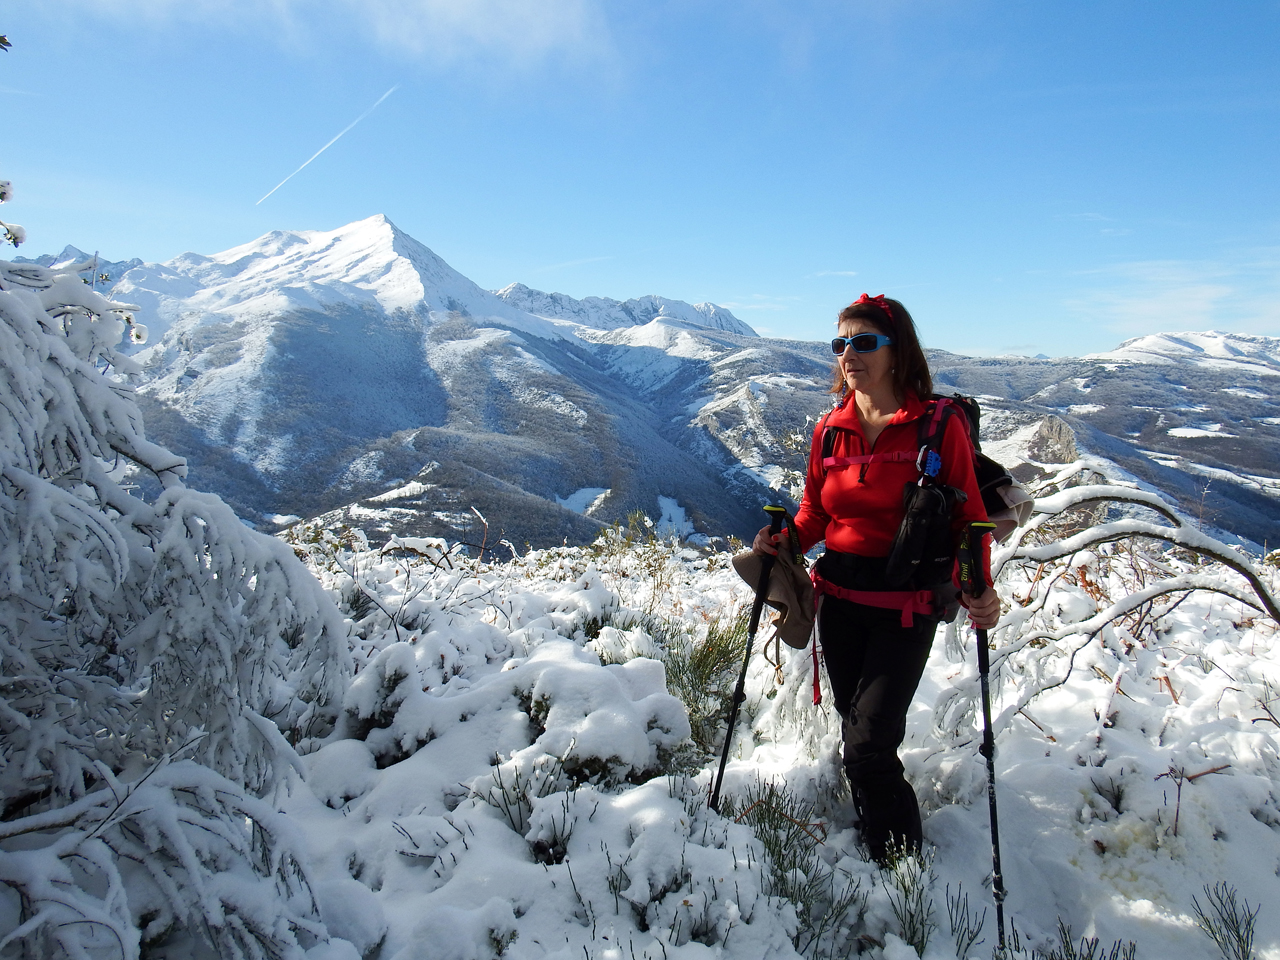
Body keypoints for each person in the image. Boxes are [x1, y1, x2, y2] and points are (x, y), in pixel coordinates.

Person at [752, 293, 999, 863]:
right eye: (841, 344)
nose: (849, 355)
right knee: (856, 724)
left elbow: (969, 518)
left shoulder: (936, 428)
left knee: (867, 740)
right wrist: (784, 540)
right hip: (838, 599)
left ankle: (896, 861)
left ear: (897, 352)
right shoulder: (831, 430)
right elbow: (817, 511)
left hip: (905, 605)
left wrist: (979, 590)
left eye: (864, 342)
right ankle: (880, 833)